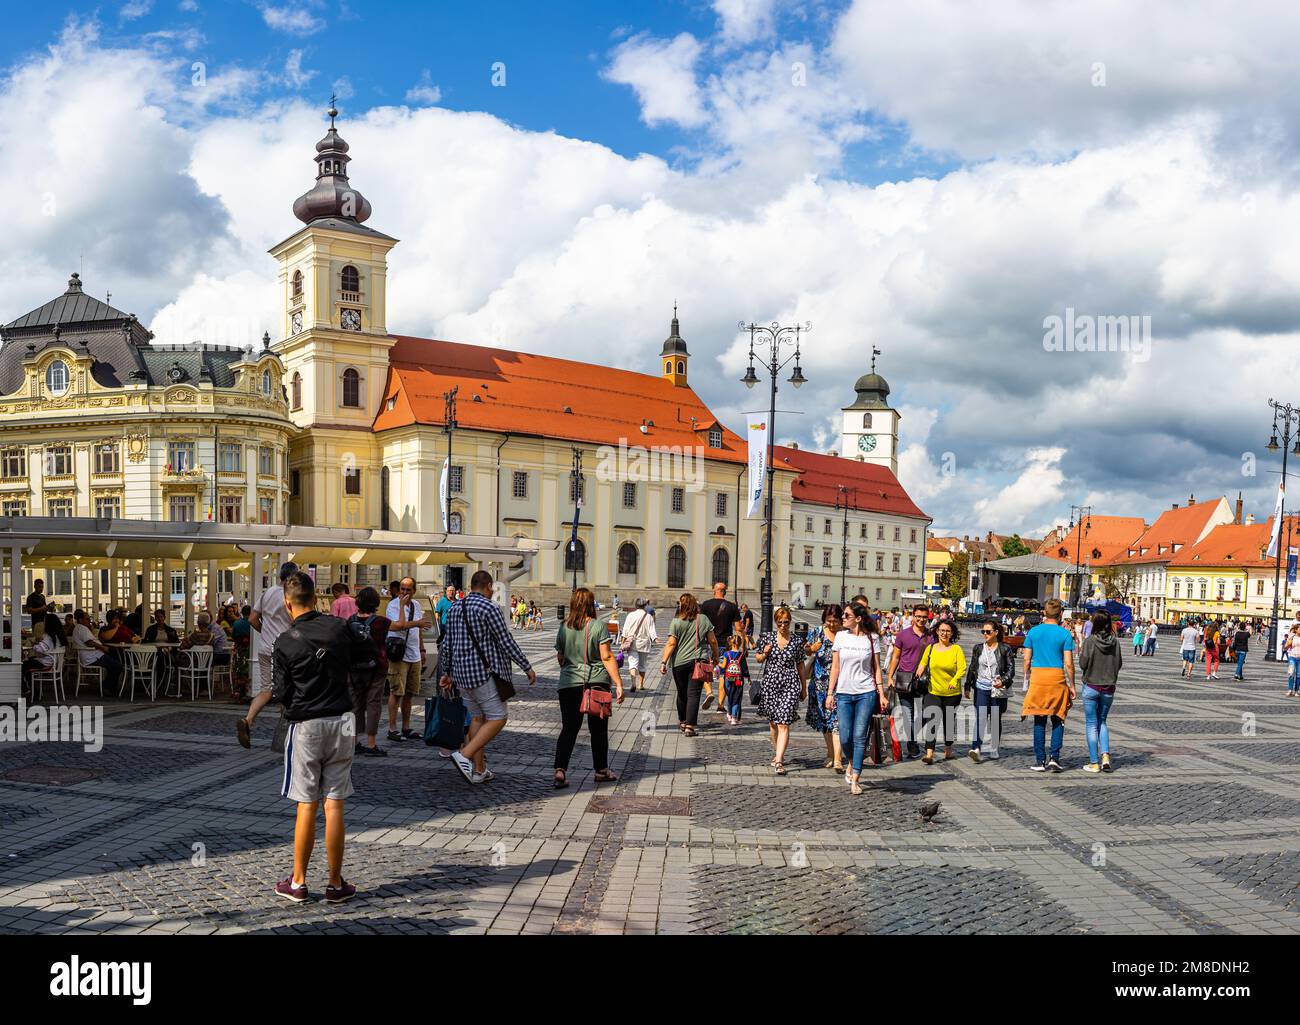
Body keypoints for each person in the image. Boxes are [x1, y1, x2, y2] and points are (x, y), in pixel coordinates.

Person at [273, 571, 368, 905]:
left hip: (308, 723)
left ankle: (298, 881)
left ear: (288, 603)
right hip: (342, 719)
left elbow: (281, 692)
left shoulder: (285, 640)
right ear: (316, 599)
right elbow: (363, 656)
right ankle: (335, 882)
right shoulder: (339, 628)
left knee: (306, 802)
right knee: (335, 801)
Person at [438, 570, 536, 784]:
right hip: (483, 674)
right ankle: (464, 755)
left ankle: (479, 769)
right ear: (488, 586)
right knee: (498, 717)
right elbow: (505, 640)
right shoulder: (489, 607)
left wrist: (446, 673)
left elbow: (446, 645)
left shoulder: (455, 607)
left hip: (462, 676)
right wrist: (526, 666)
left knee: (476, 718)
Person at [553, 587, 624, 788]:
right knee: (598, 730)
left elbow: (560, 657)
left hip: (568, 684)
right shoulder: (597, 626)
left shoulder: (563, 626)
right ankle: (601, 771)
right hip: (596, 683)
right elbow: (607, 656)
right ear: (591, 604)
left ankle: (560, 770)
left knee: (568, 728)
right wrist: (618, 683)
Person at [238, 561, 299, 748]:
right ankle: (287, 733)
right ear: (293, 577)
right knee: (288, 688)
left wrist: (265, 631)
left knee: (266, 689)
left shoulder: (268, 592)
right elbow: (299, 621)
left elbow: (252, 618)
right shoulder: (291, 596)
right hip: (284, 649)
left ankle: (247, 720)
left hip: (265, 648)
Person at [826, 602, 884, 794]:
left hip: (865, 693)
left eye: (846, 616)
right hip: (843, 693)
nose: (843, 618)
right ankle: (852, 760)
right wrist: (830, 693)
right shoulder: (841, 637)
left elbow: (876, 668)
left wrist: (881, 694)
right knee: (845, 736)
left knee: (859, 736)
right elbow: (835, 667)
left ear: (858, 619)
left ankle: (856, 778)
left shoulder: (872, 638)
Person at [1021, 597, 1076, 773]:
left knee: (1039, 719)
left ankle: (1039, 760)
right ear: (1060, 614)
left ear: (1044, 613)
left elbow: (1026, 659)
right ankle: (1054, 758)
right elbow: (1068, 663)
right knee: (1058, 718)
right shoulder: (1065, 634)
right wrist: (1072, 685)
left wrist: (1027, 677)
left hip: (1038, 677)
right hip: (1057, 678)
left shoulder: (1033, 632)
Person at [755, 605, 807, 774]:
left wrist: (803, 687)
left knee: (783, 722)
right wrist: (764, 653)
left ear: (790, 622)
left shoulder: (797, 641)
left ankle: (778, 761)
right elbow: (758, 658)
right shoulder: (768, 638)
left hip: (790, 684)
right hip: (771, 683)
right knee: (773, 723)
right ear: (776, 623)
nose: (783, 625)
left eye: (786, 622)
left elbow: (800, 665)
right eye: (780, 623)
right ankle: (778, 752)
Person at [659, 593, 719, 738]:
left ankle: (682, 721)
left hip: (679, 663)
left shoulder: (676, 622)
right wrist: (715, 656)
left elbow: (671, 643)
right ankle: (690, 727)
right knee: (693, 694)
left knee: (681, 693)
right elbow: (713, 641)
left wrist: (663, 662)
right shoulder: (703, 619)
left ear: (682, 605)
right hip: (698, 662)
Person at [384, 577, 429, 743]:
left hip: (414, 654)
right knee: (396, 692)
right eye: (402, 589)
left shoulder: (416, 605)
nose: (404, 592)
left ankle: (406, 727)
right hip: (398, 654)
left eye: (407, 590)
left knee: (410, 693)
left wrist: (422, 649)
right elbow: (399, 625)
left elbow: (420, 629)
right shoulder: (393, 605)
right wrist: (405, 610)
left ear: (413, 591)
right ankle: (392, 728)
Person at [964, 619, 1016, 762]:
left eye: (988, 632)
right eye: (983, 632)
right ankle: (976, 748)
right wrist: (967, 685)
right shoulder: (978, 648)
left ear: (996, 633)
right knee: (980, 718)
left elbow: (1011, 670)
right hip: (981, 687)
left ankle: (994, 748)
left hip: (997, 689)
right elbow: (973, 667)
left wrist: (1003, 681)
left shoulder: (1005, 649)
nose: (985, 634)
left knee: (995, 719)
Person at [348, 586, 390, 757]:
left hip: (354, 669)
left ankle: (353, 742)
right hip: (376, 668)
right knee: (373, 704)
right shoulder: (381, 622)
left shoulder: (349, 621)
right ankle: (371, 744)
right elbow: (401, 626)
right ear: (376, 603)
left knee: (354, 705)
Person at [916, 620, 966, 764]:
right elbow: (923, 662)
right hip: (933, 691)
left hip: (952, 694)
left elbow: (962, 668)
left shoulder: (956, 649)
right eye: (942, 630)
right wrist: (919, 670)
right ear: (937, 631)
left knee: (949, 721)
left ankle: (948, 750)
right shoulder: (931, 648)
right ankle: (929, 754)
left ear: (952, 633)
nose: (944, 633)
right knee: (933, 719)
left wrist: (954, 680)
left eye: (948, 631)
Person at [887, 605, 934, 759]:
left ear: (928, 618)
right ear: (913, 616)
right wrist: (890, 677)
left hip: (926, 680)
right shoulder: (903, 635)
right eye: (918, 616)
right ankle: (912, 745)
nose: (921, 619)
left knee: (929, 712)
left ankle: (913, 735)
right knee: (908, 714)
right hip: (905, 679)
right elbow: (895, 657)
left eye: (924, 617)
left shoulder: (932, 636)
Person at [1078, 610, 1121, 773]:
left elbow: (1083, 664)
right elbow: (1119, 663)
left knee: (1091, 724)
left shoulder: (1089, 641)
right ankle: (1105, 758)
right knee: (1102, 721)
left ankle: (1094, 762)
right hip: (1108, 687)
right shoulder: (1115, 642)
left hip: (1091, 686)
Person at [804, 604, 843, 771]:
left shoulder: (845, 634)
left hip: (841, 684)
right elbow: (805, 650)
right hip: (819, 684)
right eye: (829, 621)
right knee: (825, 722)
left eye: (835, 621)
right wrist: (811, 648)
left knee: (837, 721)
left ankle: (838, 758)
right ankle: (830, 752)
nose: (832, 624)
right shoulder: (818, 632)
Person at [700, 582, 741, 714]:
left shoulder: (705, 605)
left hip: (708, 643)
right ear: (725, 591)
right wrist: (742, 647)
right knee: (723, 674)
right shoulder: (732, 607)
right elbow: (739, 628)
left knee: (706, 670)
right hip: (726, 644)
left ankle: (709, 692)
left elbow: (699, 623)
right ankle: (720, 706)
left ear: (714, 590)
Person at [71, 609, 122, 694]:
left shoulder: (81, 628)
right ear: (80, 620)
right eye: (87, 619)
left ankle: (111, 688)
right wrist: (102, 647)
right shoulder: (81, 628)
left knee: (115, 660)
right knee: (117, 666)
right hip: (93, 656)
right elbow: (90, 643)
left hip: (93, 655)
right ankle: (105, 687)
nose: (89, 621)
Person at [22, 611, 66, 699]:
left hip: (45, 663)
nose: (44, 624)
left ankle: (27, 690)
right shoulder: (59, 636)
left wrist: (34, 645)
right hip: (53, 663)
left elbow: (41, 649)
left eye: (45, 622)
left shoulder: (48, 636)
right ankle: (34, 690)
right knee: (28, 664)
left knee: (20, 666)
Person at [619, 597, 658, 692]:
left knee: (633, 663)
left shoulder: (631, 615)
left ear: (636, 605)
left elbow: (625, 630)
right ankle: (640, 684)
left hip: (632, 643)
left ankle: (633, 683)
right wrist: (655, 638)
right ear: (645, 606)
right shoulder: (648, 616)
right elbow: (652, 629)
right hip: (644, 643)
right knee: (642, 665)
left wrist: (622, 641)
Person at [719, 628, 749, 726]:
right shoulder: (741, 655)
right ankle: (734, 718)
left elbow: (723, 666)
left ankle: (729, 713)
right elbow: (745, 668)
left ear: (731, 643)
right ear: (740, 644)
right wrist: (748, 678)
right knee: (737, 698)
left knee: (730, 696)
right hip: (738, 679)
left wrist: (717, 663)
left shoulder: (726, 654)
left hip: (728, 678)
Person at [1286, 624, 1300, 696]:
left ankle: (1297, 691)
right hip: (1292, 657)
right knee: (1291, 673)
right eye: (1299, 629)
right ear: (1296, 630)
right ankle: (1290, 689)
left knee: (1298, 675)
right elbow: (1287, 646)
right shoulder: (1292, 636)